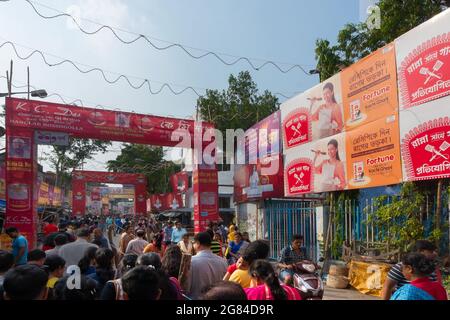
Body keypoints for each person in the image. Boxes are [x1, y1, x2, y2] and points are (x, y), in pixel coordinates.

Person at [188, 232, 228, 299]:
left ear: (198, 243)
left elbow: (185, 287)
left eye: (193, 243)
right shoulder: (223, 261)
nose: (193, 245)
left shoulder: (191, 261)